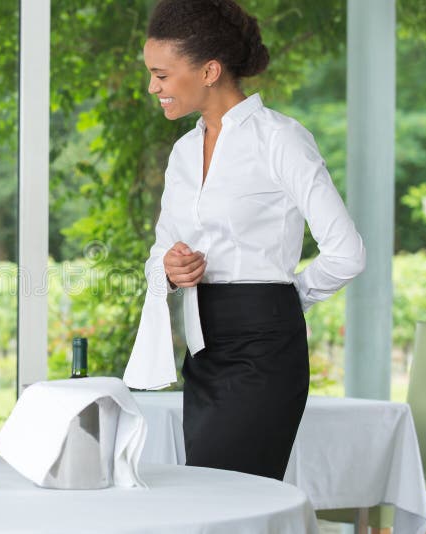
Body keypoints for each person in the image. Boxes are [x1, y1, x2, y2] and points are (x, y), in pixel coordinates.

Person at [132, 0, 366, 480]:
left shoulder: (280, 139)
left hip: (264, 352)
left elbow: (347, 254)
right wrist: (170, 269)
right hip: (202, 349)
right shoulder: (183, 152)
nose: (153, 87)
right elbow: (160, 252)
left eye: (161, 74)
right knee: (206, 492)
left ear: (209, 71)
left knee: (229, 496)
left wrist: (285, 299)